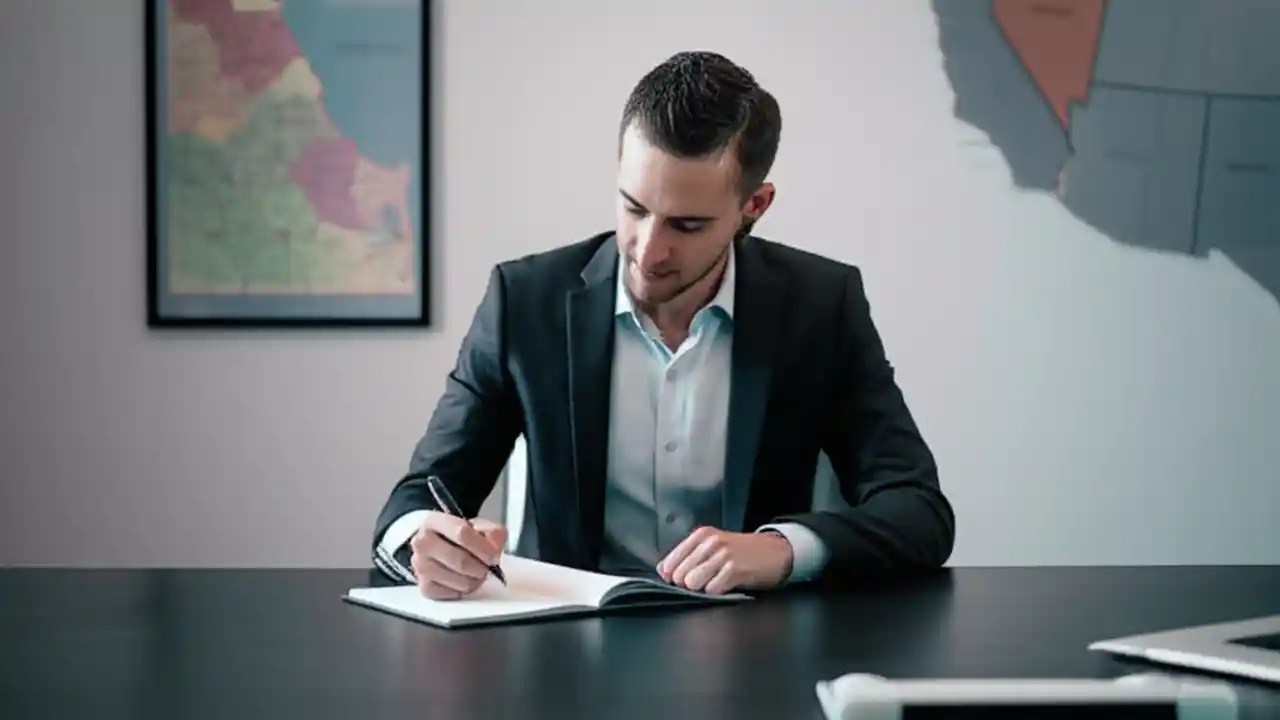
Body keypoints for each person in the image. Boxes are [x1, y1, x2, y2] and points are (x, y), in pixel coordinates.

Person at [371, 51, 955, 600]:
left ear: (755, 206)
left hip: (754, 654)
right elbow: (414, 502)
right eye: (634, 207)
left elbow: (918, 510)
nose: (649, 252)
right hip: (564, 653)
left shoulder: (821, 306)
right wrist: (429, 543)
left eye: (688, 225)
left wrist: (780, 550)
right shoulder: (524, 302)